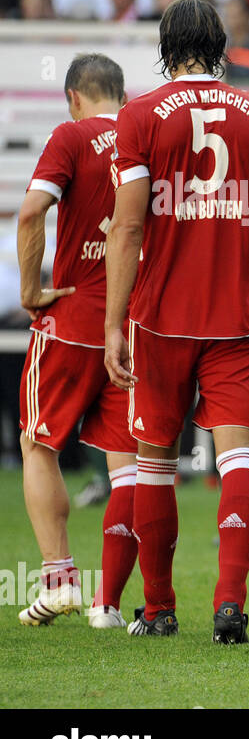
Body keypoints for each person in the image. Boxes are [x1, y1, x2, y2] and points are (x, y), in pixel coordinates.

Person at [104, 0, 249, 643]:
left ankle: (159, 608)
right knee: (240, 455)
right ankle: (230, 604)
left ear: (166, 46)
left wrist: (113, 322)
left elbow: (130, 224)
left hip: (161, 316)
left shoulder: (140, 115)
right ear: (221, 45)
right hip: (239, 317)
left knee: (155, 461)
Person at [16, 53, 138, 629]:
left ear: (73, 97)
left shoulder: (70, 136)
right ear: (122, 93)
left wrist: (31, 289)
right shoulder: (147, 137)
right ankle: (110, 604)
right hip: (135, 323)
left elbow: (31, 212)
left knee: (39, 444)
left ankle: (60, 578)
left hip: (72, 317)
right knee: (130, 468)